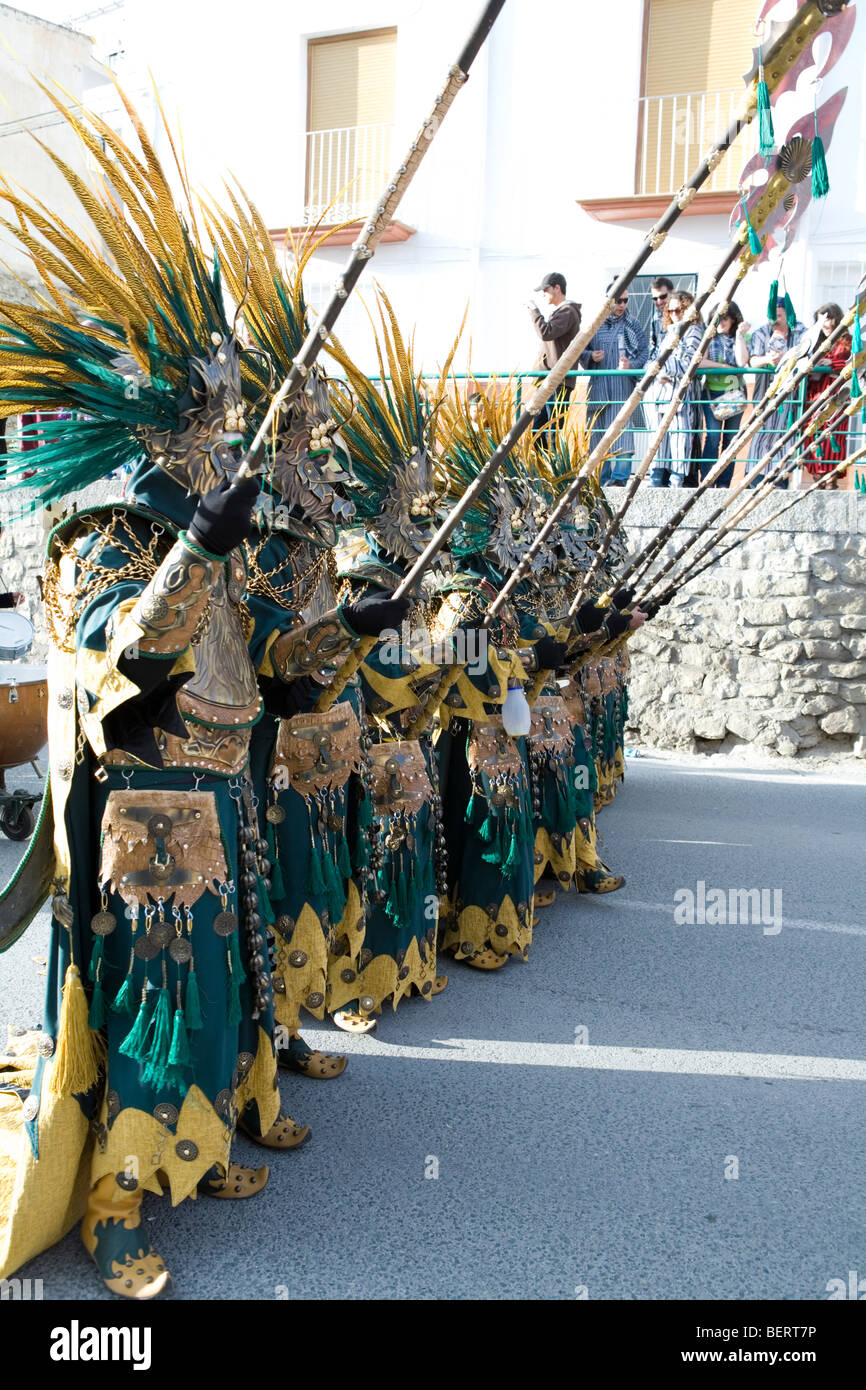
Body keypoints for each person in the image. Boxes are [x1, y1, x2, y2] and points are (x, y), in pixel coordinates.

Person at [580, 282, 648, 485]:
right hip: (599, 390)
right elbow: (578, 350)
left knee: (624, 435)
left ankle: (620, 480)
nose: (622, 305)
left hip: (622, 390)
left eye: (625, 300)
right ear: (608, 300)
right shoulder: (594, 324)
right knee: (597, 438)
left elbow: (644, 351)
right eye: (618, 300)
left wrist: (632, 365)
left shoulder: (632, 324)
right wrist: (591, 355)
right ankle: (601, 479)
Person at [646, 290, 704, 487]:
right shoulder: (668, 331)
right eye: (670, 311)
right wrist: (656, 371)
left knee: (680, 441)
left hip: (681, 395)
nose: (673, 314)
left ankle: (676, 483)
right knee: (658, 442)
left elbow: (689, 362)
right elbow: (653, 358)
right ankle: (656, 480)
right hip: (660, 395)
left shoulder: (694, 331)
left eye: (678, 310)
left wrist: (663, 371)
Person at [747, 300, 807, 486]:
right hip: (766, 393)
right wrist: (768, 358)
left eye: (779, 316)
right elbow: (752, 361)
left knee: (784, 436)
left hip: (791, 395)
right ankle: (754, 480)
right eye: (772, 316)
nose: (774, 320)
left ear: (787, 314)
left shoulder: (801, 332)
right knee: (760, 435)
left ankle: (778, 480)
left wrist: (788, 358)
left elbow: (808, 354)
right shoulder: (761, 333)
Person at [698, 301, 749, 486]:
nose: (721, 322)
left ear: (734, 318)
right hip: (713, 394)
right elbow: (700, 361)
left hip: (736, 394)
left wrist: (740, 336)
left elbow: (743, 361)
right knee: (712, 437)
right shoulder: (708, 337)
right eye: (717, 318)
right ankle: (707, 480)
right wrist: (721, 366)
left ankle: (724, 482)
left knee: (731, 439)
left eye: (725, 318)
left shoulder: (740, 337)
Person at [802, 302, 851, 488]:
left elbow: (854, 364)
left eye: (829, 318)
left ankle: (831, 480)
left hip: (836, 397)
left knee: (833, 435)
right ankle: (817, 479)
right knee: (812, 434)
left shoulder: (847, 341)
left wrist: (831, 363)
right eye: (822, 319)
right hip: (814, 397)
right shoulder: (813, 341)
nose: (826, 323)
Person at [527, 272, 581, 438]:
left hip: (558, 381)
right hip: (548, 380)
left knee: (551, 432)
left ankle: (551, 463)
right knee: (538, 432)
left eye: (546, 289)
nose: (543, 294)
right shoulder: (562, 312)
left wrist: (534, 312)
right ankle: (539, 464)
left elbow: (546, 332)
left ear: (557, 288)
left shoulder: (568, 312)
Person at [649, 276, 674, 354]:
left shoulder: (684, 315)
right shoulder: (655, 319)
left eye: (663, 297)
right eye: (655, 299)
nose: (659, 302)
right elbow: (653, 347)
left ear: (672, 293)